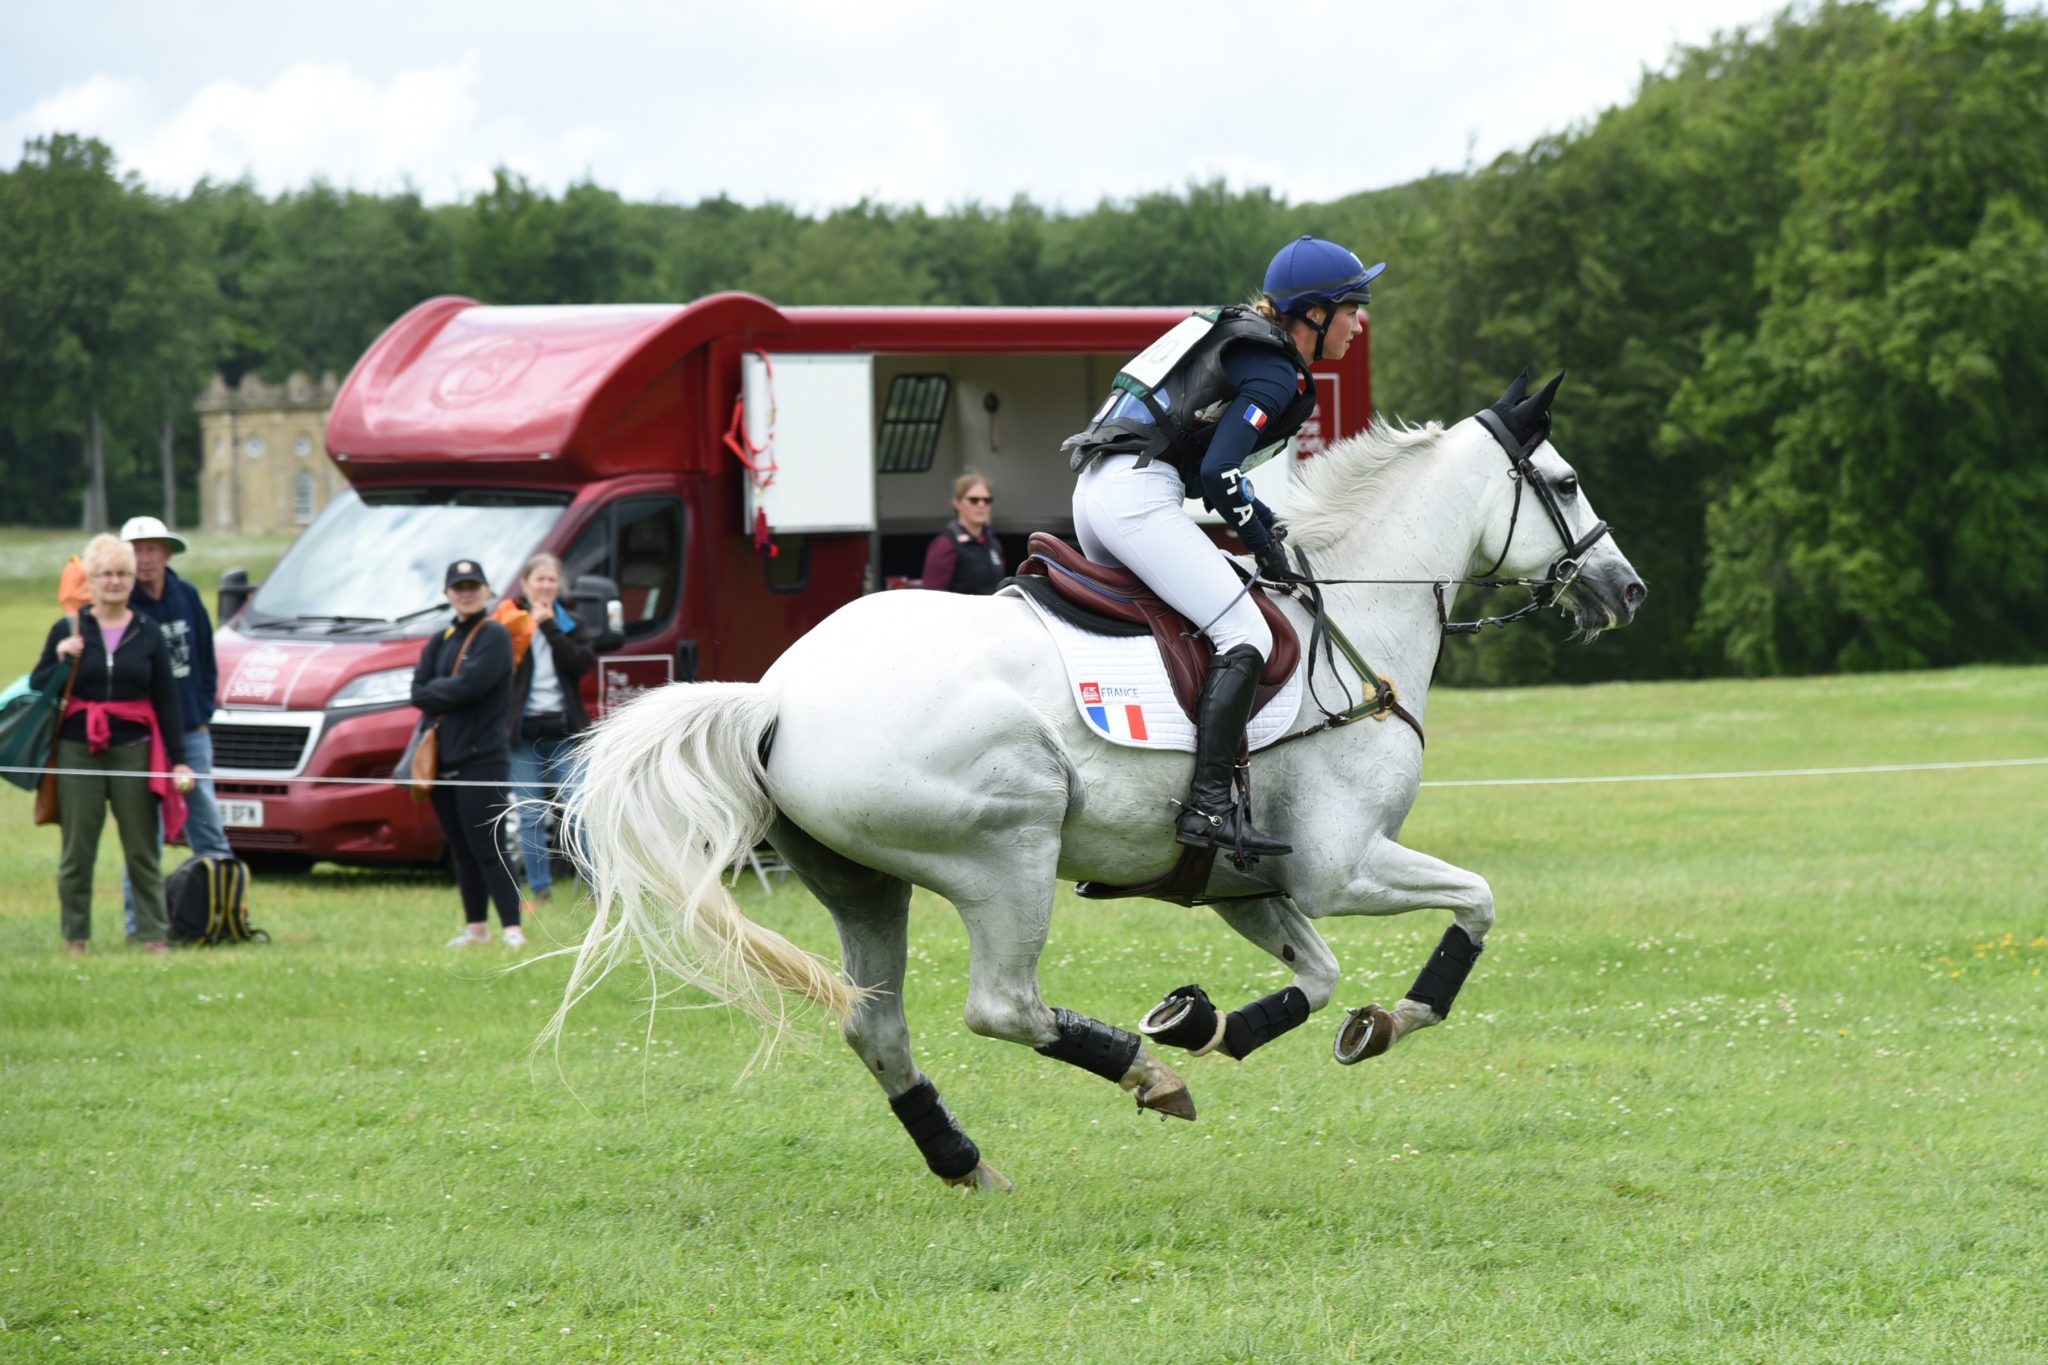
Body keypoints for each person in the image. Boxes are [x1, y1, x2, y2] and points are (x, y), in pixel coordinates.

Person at [1060, 235, 1382, 860]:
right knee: (1248, 634)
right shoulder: (1275, 367)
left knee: (1190, 625)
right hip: (1138, 496)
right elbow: (1220, 475)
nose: (1360, 325)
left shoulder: (1235, 333)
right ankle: (1208, 807)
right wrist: (1263, 544)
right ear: (1313, 313)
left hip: (1100, 493)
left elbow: (1214, 470)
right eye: (1352, 308)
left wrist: (1259, 519)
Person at [30, 534, 196, 954]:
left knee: (142, 848)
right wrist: (60, 657)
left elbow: (167, 701)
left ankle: (153, 934)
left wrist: (178, 761)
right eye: (106, 574)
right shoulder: (67, 628)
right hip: (76, 749)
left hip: (134, 749)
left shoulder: (149, 632)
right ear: (91, 578)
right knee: (77, 851)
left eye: (123, 574)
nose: (115, 582)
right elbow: (36, 687)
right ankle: (75, 937)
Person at [119, 514, 232, 939]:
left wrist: (201, 714)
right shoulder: (123, 606)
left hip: (191, 733)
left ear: (167, 553)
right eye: (136, 550)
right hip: (144, 738)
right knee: (145, 834)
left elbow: (205, 658)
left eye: (151, 549)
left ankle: (224, 913)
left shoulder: (186, 595)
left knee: (207, 825)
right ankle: (140, 926)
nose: (144, 559)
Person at [411, 559, 523, 949]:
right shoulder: (441, 638)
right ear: (447, 594)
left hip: (483, 758)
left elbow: (470, 688)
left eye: (473, 585)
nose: (467, 592)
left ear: (488, 589)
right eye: (459, 586)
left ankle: (513, 928)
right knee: (461, 849)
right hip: (444, 759)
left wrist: (442, 689)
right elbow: (417, 691)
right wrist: (448, 688)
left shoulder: (494, 635)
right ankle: (476, 927)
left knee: (489, 847)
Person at [498, 552, 596, 910]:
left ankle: (596, 888)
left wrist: (550, 627)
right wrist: (528, 628)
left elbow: (580, 663)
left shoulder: (572, 623)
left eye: (551, 580)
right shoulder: (508, 624)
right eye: (538, 579)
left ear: (559, 586)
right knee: (531, 814)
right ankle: (540, 891)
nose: (545, 586)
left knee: (579, 810)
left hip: (565, 734)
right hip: (522, 737)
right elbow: (496, 669)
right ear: (524, 584)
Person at [920, 473, 1006, 594]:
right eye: (974, 500)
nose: (981, 505)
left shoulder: (994, 544)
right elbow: (932, 596)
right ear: (957, 503)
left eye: (987, 500)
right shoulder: (945, 545)